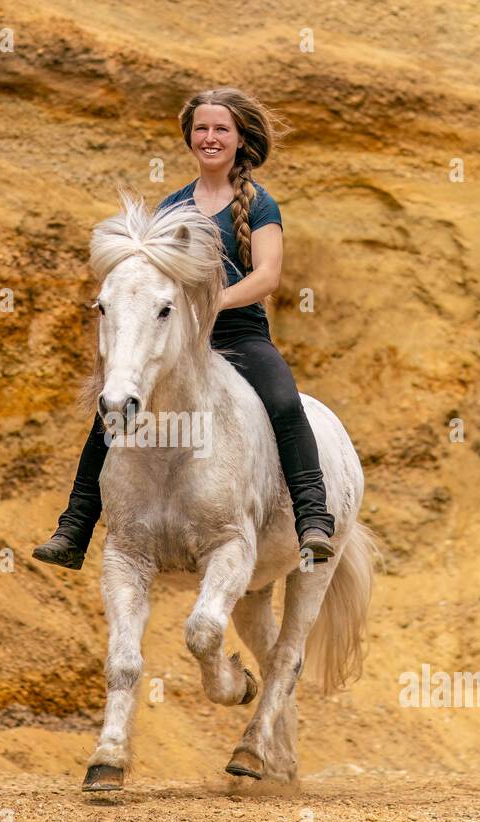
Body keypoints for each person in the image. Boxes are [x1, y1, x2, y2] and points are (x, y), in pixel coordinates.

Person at [33, 87, 337, 570]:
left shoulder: (260, 204)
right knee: (112, 407)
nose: (210, 138)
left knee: (283, 401)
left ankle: (313, 517)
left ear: (240, 140)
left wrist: (211, 305)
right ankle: (75, 526)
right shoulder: (172, 206)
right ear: (189, 137)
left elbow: (267, 277)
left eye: (221, 129)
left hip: (238, 336)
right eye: (201, 129)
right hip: (174, 340)